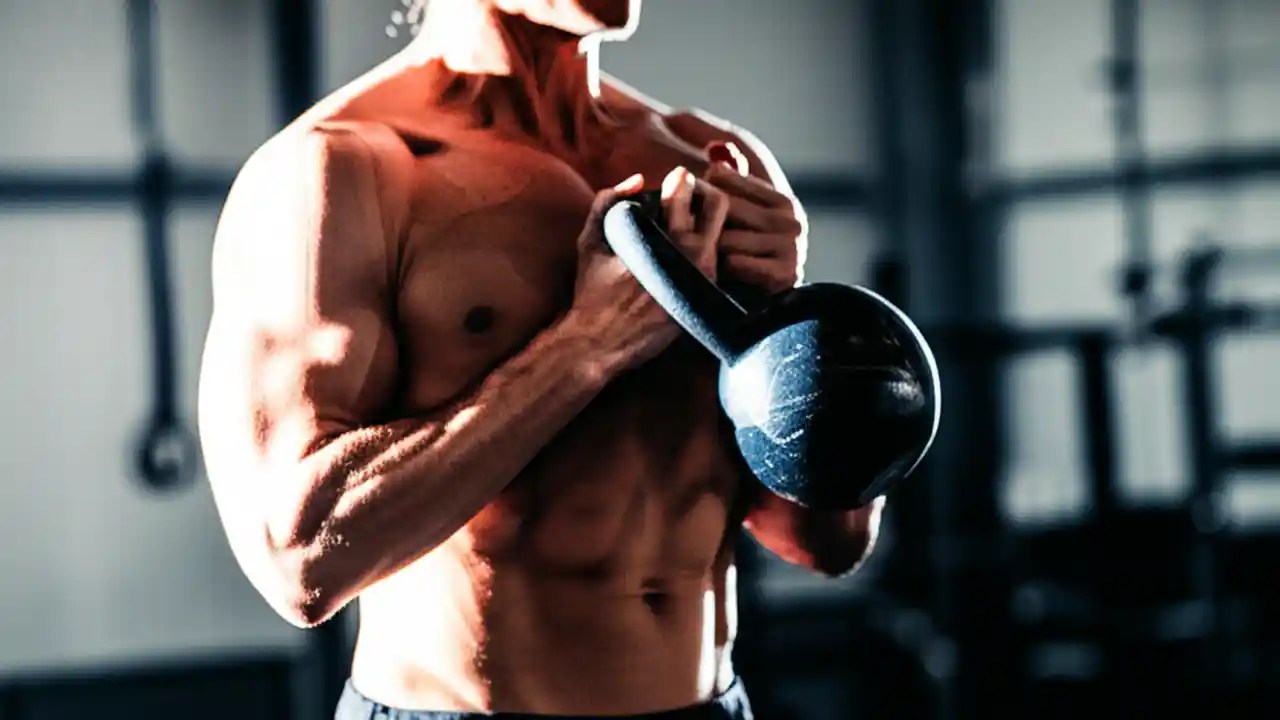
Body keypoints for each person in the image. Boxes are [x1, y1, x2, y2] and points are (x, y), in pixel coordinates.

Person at [197, 0, 885, 717]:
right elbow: (300, 557)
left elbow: (825, 543)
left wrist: (790, 330)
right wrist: (584, 347)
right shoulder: (342, 169)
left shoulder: (711, 158)